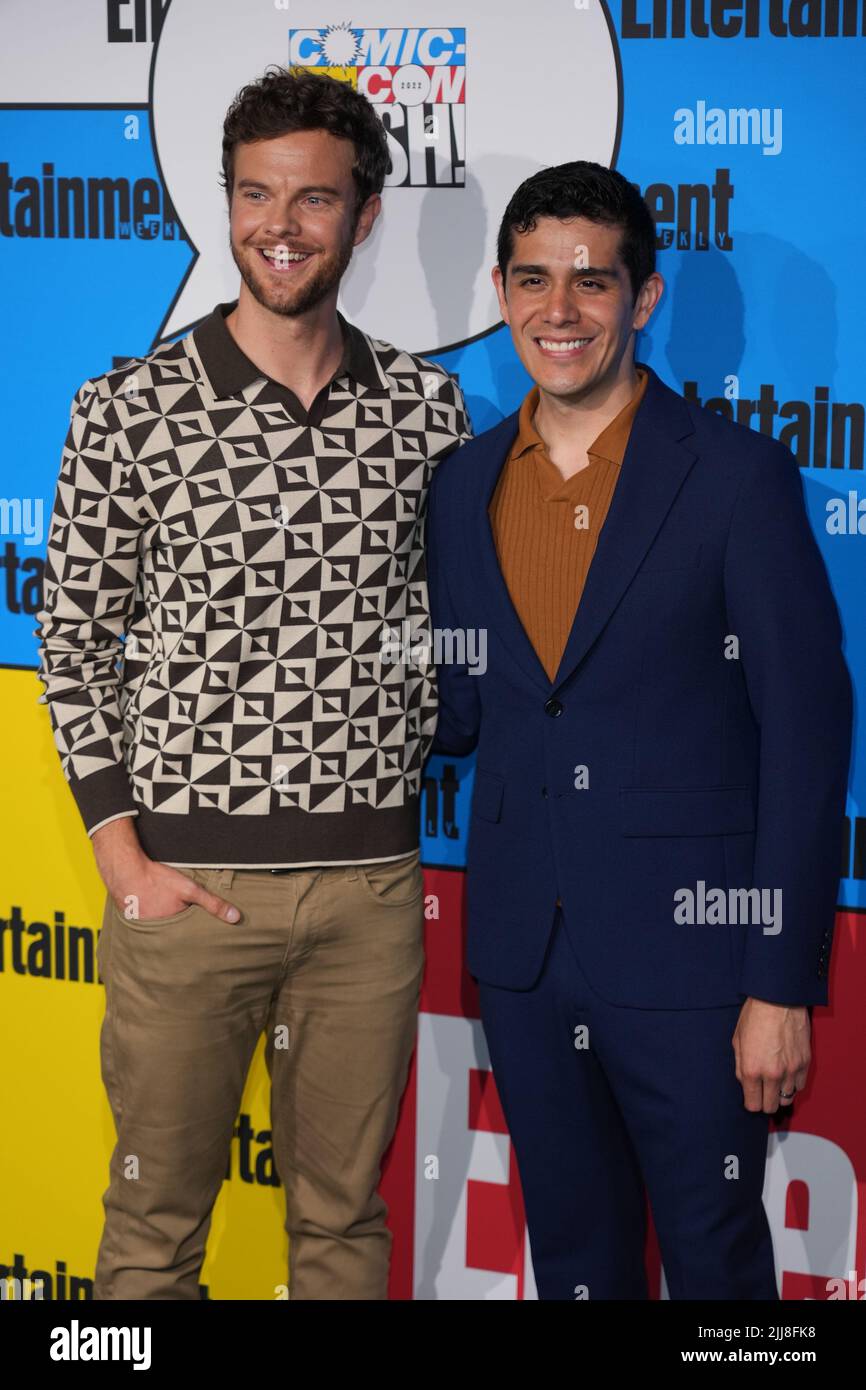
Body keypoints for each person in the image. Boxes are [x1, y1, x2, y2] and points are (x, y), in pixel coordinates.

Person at [35, 67, 471, 1301]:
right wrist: (122, 859)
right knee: (150, 1237)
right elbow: (73, 641)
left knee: (342, 1232)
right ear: (224, 204)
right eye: (254, 195)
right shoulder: (128, 406)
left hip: (371, 897)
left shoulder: (427, 410)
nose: (279, 225)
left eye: (313, 200)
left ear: (365, 213)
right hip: (187, 892)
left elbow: (444, 629)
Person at [424, 160, 851, 1300]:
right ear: (502, 293)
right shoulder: (458, 487)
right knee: (572, 1259)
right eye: (530, 280)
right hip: (522, 957)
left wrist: (777, 982)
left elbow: (805, 736)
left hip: (693, 962)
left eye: (589, 281)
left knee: (714, 1261)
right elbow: (460, 712)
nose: (556, 310)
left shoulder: (734, 478)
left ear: (642, 298)